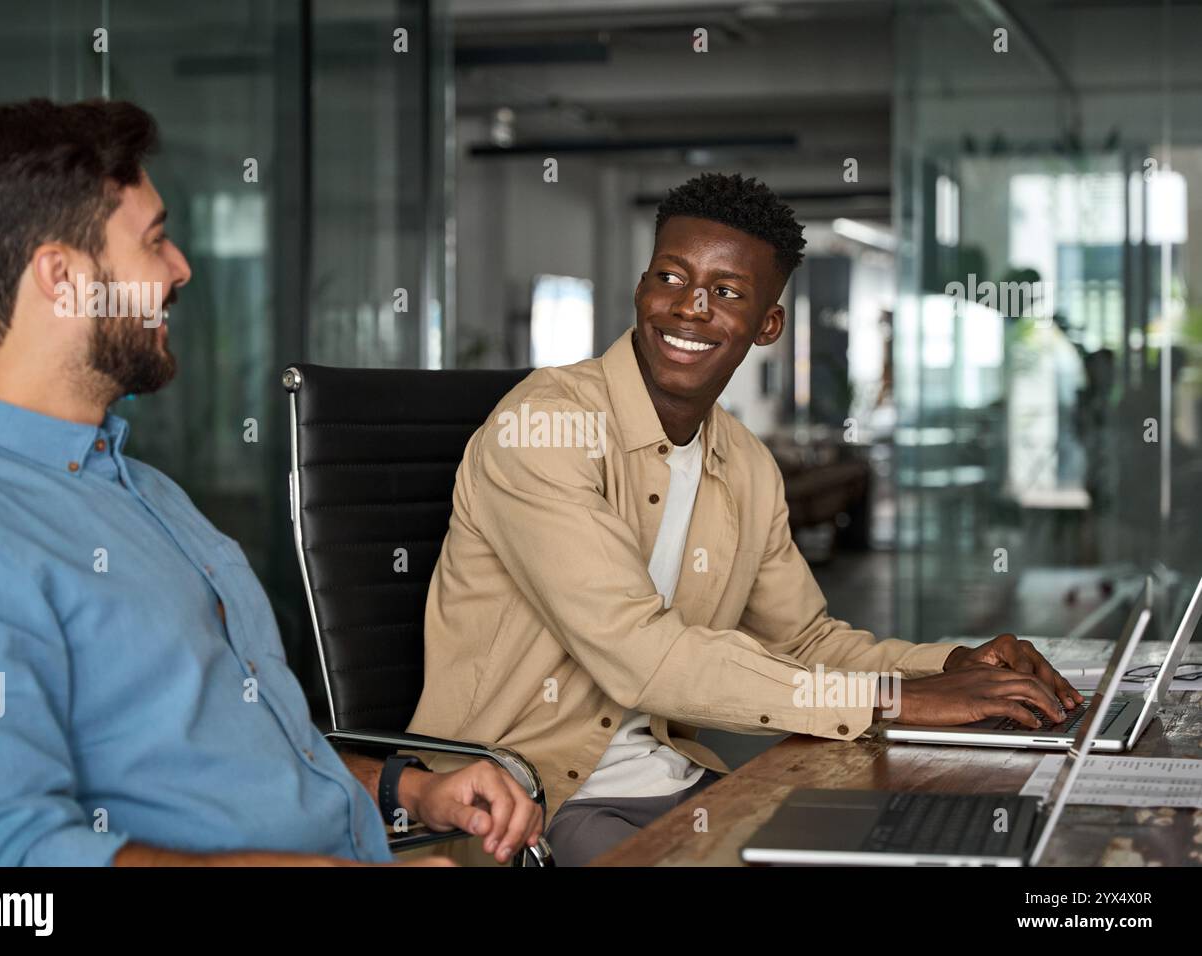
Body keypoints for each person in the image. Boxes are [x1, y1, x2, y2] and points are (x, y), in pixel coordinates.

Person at [0, 99, 543, 867]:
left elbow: (245, 756)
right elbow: (2, 874)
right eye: (155, 240)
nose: (181, 269)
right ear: (62, 277)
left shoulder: (146, 493)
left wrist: (406, 790)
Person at [407, 172, 1082, 866]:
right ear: (642, 287)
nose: (690, 308)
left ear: (768, 325)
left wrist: (949, 666)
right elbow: (644, 655)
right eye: (671, 277)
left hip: (671, 777)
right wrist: (897, 701)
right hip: (529, 798)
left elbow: (806, 643)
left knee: (917, 845)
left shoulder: (745, 464)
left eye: (726, 292)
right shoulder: (543, 427)